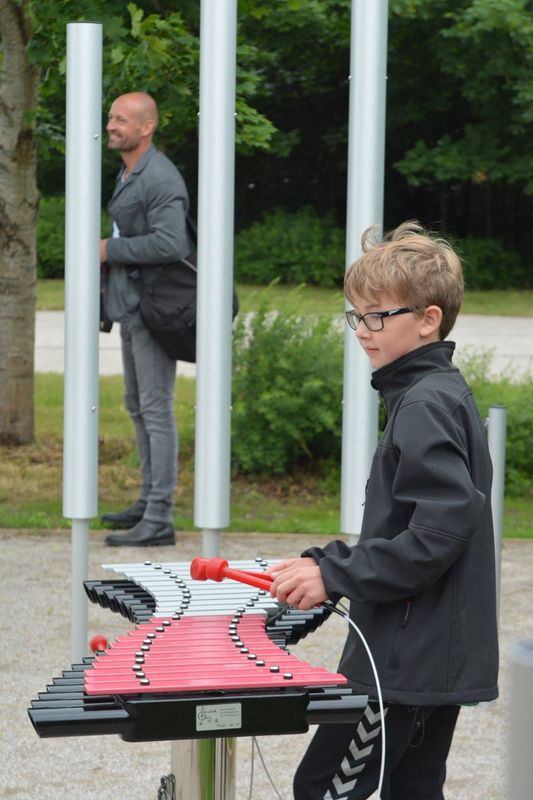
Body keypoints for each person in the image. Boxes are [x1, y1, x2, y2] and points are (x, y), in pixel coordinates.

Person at [267, 221, 499, 800]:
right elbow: (416, 528)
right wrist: (328, 561)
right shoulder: (434, 393)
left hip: (405, 668)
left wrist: (335, 573)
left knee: (320, 788)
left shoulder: (424, 403)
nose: (363, 331)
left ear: (428, 320)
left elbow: (438, 535)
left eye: (378, 316)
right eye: (356, 316)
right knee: (413, 789)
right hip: (422, 655)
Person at [100, 92, 192, 547]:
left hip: (154, 310)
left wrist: (108, 250)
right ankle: (146, 501)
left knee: (156, 410)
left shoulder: (160, 177)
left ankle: (160, 516)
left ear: (147, 127)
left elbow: (171, 244)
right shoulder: (131, 170)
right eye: (111, 117)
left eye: (122, 119)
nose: (112, 125)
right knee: (137, 406)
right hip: (134, 308)